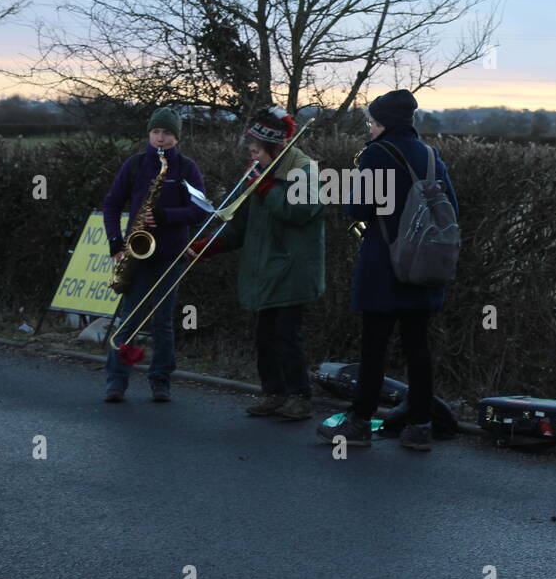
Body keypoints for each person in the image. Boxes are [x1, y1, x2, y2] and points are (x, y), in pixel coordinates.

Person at [317, 89, 459, 451]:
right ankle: (420, 426)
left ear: (382, 122)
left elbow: (358, 210)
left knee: (374, 347)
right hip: (422, 264)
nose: (370, 126)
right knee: (418, 348)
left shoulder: (376, 154)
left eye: (371, 120)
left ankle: (361, 421)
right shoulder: (430, 155)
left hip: (385, 263)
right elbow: (451, 206)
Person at [188, 106, 325, 421]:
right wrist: (208, 245)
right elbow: (242, 226)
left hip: (292, 270)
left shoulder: (304, 170)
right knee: (264, 336)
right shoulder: (262, 172)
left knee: (287, 335)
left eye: (255, 151)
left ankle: (299, 396)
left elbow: (300, 211)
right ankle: (273, 393)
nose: (251, 157)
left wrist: (267, 187)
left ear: (273, 148)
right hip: (266, 269)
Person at [99, 107, 207, 404]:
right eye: (156, 132)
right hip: (136, 254)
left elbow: (200, 211)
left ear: (176, 137)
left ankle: (161, 382)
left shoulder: (187, 168)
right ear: (149, 133)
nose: (160, 138)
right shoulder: (134, 165)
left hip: (171, 255)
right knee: (129, 319)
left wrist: (164, 215)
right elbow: (111, 205)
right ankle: (116, 382)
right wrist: (114, 243)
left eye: (167, 133)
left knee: (162, 321)